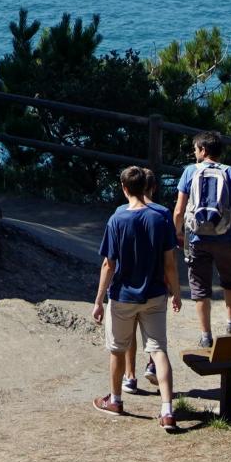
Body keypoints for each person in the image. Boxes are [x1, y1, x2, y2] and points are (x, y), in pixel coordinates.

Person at [92, 164, 182, 431]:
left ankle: (116, 400)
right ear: (146, 186)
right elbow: (170, 263)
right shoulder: (161, 217)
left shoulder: (117, 219)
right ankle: (167, 410)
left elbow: (109, 264)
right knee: (158, 349)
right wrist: (176, 292)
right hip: (154, 294)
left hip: (122, 296)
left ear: (124, 188)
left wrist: (98, 300)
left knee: (117, 349)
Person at [172, 131, 231, 346]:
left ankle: (206, 336)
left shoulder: (190, 172)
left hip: (196, 238)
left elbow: (179, 210)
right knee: (230, 279)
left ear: (203, 150)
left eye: (195, 149)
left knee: (200, 286)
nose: (194, 153)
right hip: (225, 236)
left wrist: (177, 233)